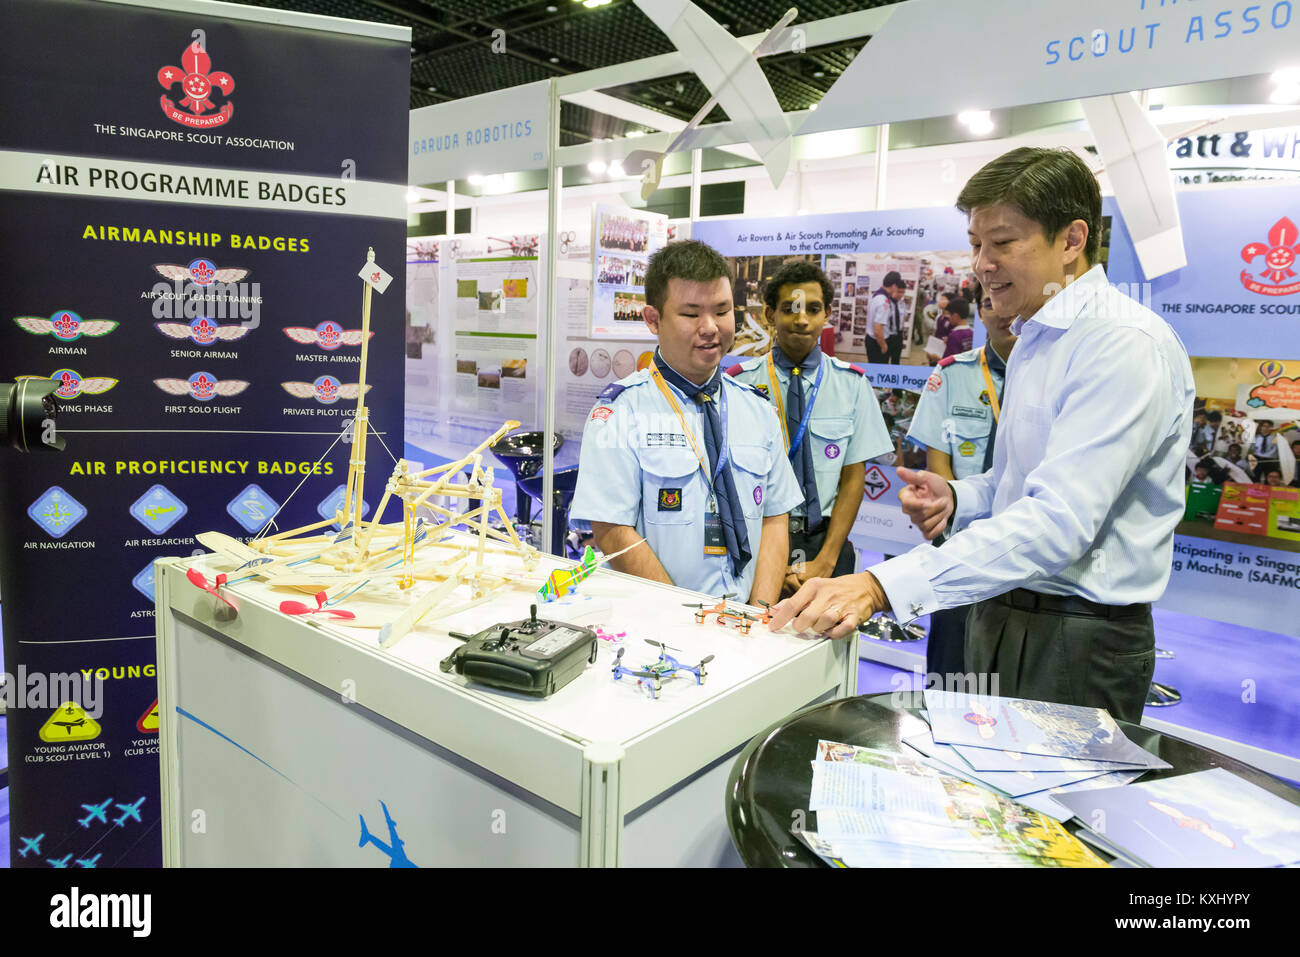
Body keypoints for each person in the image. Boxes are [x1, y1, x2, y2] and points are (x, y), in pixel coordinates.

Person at [770, 146, 1196, 723]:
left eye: (1002, 243)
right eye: (975, 244)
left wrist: (880, 585)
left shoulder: (1120, 346)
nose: (982, 264)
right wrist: (962, 498)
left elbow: (1059, 523)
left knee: (1053, 811)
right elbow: (1017, 482)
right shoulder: (1037, 339)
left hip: (1074, 638)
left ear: (1072, 240)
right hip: (1002, 611)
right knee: (982, 803)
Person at [570, 240, 803, 605]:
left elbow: (775, 517)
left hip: (748, 629)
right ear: (653, 319)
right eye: (691, 314)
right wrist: (685, 619)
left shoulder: (756, 410)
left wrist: (758, 615)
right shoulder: (620, 413)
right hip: (661, 631)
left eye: (722, 311)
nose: (710, 327)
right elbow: (612, 530)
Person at [728, 261, 893, 596]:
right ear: (769, 315)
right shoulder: (738, 385)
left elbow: (852, 477)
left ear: (827, 314)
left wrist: (826, 561)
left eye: (813, 309)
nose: (802, 320)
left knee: (824, 642)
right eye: (790, 309)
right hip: (756, 539)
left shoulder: (852, 385)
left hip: (825, 543)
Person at [906, 291, 1017, 687]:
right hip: (961, 551)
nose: (1003, 312)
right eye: (990, 304)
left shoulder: (1050, 378)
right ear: (979, 314)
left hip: (1023, 555)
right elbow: (939, 466)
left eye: (1009, 301)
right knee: (951, 676)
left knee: (1008, 685)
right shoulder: (952, 374)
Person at [866, 271, 907, 365]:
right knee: (880, 369)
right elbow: (877, 329)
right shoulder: (884, 301)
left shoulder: (876, 296)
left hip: (872, 339)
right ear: (893, 286)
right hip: (877, 342)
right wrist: (883, 345)